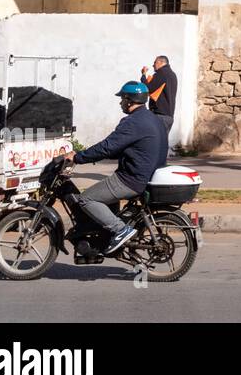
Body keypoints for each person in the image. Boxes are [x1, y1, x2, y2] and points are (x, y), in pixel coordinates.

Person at [66, 81, 168, 253]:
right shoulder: (152, 118)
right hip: (146, 174)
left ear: (129, 100)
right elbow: (121, 148)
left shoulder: (132, 122)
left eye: (122, 99)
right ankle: (105, 235)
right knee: (103, 194)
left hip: (131, 179)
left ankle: (120, 230)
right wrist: (96, 155)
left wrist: (77, 157)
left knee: (86, 199)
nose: (120, 102)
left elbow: (108, 146)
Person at [141, 54, 178, 138]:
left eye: (154, 62)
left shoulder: (162, 73)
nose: (153, 65)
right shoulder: (172, 74)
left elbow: (148, 88)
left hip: (160, 116)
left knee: (154, 143)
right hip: (168, 116)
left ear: (161, 62)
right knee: (162, 144)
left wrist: (143, 75)